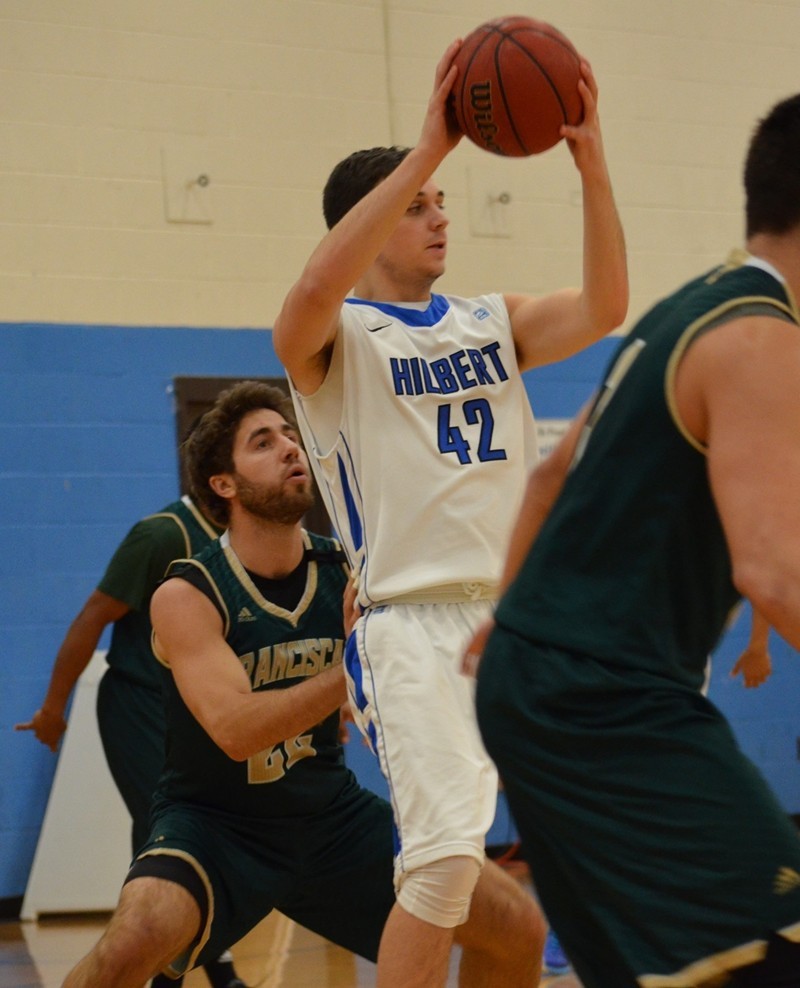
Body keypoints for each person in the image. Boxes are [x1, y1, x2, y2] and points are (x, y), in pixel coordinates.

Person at [272, 35, 628, 988]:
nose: (439, 218)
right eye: (417, 206)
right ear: (367, 222)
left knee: (588, 839)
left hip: (514, 624)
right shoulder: (335, 339)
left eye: (440, 202)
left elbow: (605, 306)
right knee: (438, 869)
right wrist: (429, 144)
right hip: (409, 626)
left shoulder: (490, 321)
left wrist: (593, 168)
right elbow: (310, 290)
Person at [469, 93, 800, 987]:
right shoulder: (763, 337)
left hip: (542, 682)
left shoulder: (680, 312)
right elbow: (774, 573)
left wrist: (513, 619)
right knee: (776, 942)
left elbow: (551, 476)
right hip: (602, 698)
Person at [61, 380, 398, 987]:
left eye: (291, 435)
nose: (290, 447)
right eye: (263, 442)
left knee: (512, 922)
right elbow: (237, 731)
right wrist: (350, 667)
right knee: (128, 944)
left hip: (330, 816)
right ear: (224, 484)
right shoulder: (187, 591)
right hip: (216, 825)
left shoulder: (349, 571)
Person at [16, 491, 244, 988]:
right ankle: (195, 971)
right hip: (138, 706)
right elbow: (92, 616)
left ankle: (198, 964)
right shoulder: (161, 535)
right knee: (170, 830)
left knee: (199, 830)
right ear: (219, 476)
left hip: (195, 710)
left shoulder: (240, 538)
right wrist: (52, 709)